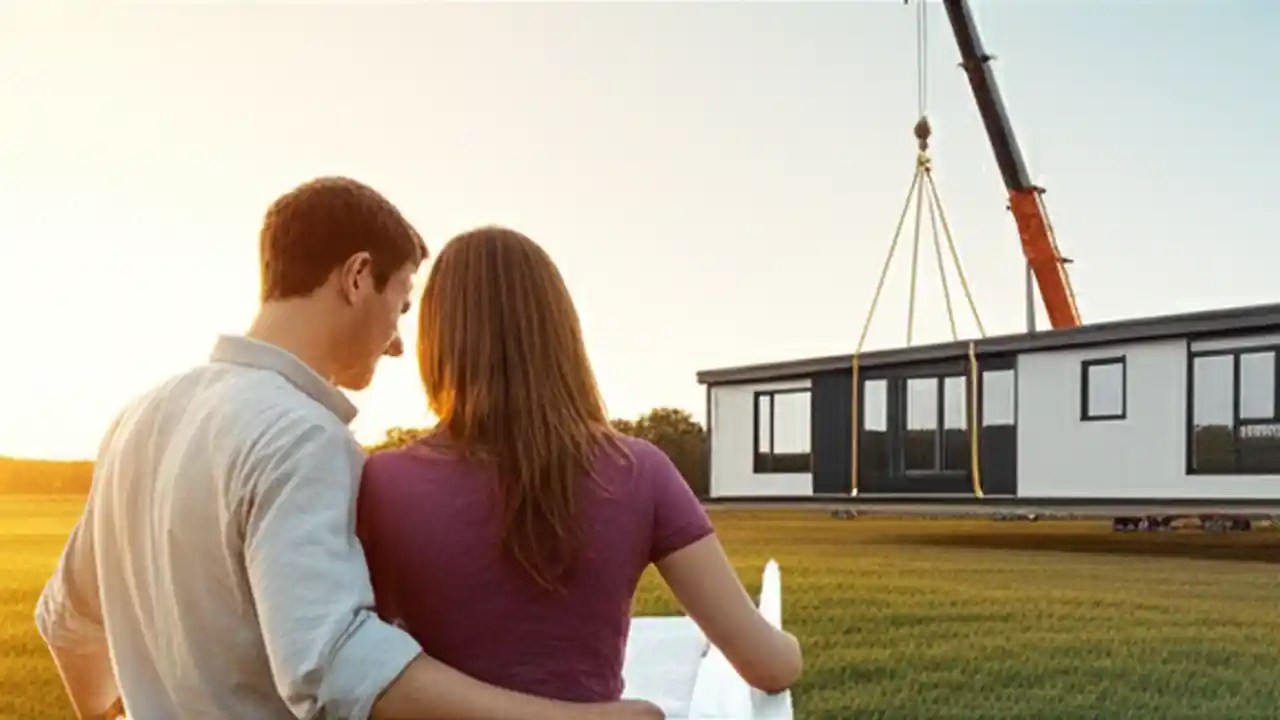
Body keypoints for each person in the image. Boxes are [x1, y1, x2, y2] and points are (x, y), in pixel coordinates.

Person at [34, 178, 663, 720]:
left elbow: (65, 619)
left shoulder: (139, 418)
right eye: (401, 306)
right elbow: (333, 663)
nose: (396, 344)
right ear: (359, 277)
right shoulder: (302, 436)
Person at [356, 225, 803, 705]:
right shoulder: (637, 470)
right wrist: (789, 645)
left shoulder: (379, 483)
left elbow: (355, 668)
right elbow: (768, 664)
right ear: (560, 332)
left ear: (438, 340)